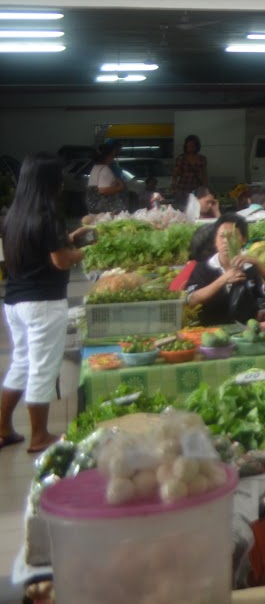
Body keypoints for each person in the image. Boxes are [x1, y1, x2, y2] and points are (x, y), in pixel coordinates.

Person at [2, 154, 92, 453]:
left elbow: (43, 246)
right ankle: (39, 435)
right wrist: (87, 250)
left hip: (15, 302)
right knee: (43, 367)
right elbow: (60, 260)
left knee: (21, 362)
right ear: (51, 181)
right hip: (43, 303)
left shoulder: (15, 214)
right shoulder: (48, 213)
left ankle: (2, 426)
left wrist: (71, 237)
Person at [184, 215, 265, 326]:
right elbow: (192, 300)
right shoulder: (202, 268)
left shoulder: (251, 267)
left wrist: (257, 263)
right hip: (211, 332)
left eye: (231, 236)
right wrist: (223, 280)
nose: (226, 242)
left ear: (243, 240)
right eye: (222, 237)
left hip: (247, 332)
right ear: (215, 240)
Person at [84, 142, 129, 214]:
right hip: (105, 210)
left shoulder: (96, 167)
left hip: (96, 209)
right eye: (112, 155)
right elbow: (103, 190)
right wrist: (120, 187)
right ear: (107, 156)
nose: (114, 157)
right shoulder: (104, 169)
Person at [170, 134, 209, 202]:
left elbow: (204, 174)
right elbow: (175, 174)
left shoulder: (202, 159)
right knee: (182, 208)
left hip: (197, 188)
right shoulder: (181, 158)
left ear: (197, 146)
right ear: (186, 146)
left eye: (192, 146)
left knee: (196, 208)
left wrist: (205, 188)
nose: (190, 147)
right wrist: (174, 184)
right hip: (183, 188)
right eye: (189, 145)